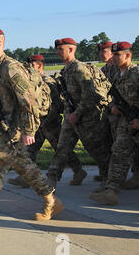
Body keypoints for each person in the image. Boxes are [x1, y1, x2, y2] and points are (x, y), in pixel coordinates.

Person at [0, 28, 64, 231]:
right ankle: (52, 202)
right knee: (25, 166)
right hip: (1, 128)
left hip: (12, 131)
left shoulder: (11, 69)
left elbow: (29, 102)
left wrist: (29, 130)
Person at [8, 54, 86, 188]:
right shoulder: (32, 82)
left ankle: (78, 171)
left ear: (39, 65)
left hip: (50, 122)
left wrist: (47, 120)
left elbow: (55, 104)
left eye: (32, 65)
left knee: (61, 149)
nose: (29, 68)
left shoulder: (48, 82)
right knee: (30, 149)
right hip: (38, 123)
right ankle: (26, 177)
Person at [45, 38, 112, 189]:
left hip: (87, 116)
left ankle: (109, 179)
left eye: (61, 49)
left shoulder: (80, 69)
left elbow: (90, 95)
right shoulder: (66, 70)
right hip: (71, 114)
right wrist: (71, 114)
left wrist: (78, 113)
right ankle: (50, 182)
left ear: (71, 50)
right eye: (57, 49)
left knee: (95, 148)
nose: (58, 52)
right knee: (62, 147)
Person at [89, 42, 139, 205]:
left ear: (128, 55)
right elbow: (114, 97)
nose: (114, 57)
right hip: (127, 120)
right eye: (114, 54)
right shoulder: (117, 74)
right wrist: (114, 106)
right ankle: (110, 191)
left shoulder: (136, 73)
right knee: (118, 152)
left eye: (118, 55)